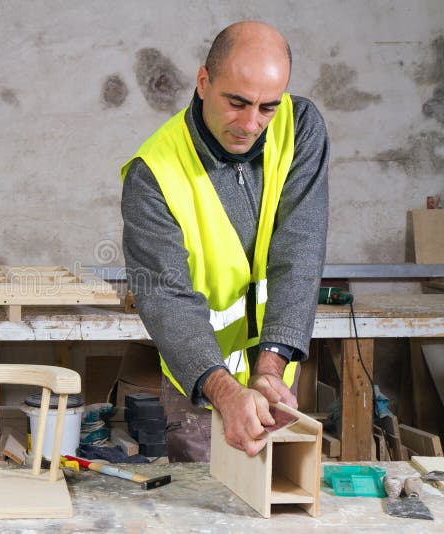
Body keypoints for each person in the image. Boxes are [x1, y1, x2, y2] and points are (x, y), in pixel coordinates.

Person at [121, 20, 329, 461]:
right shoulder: (153, 173)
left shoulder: (300, 127)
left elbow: (299, 253)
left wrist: (270, 368)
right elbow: (166, 299)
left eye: (267, 107)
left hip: (271, 382)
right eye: (236, 103)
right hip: (198, 383)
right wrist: (224, 390)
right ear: (203, 82)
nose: (251, 124)